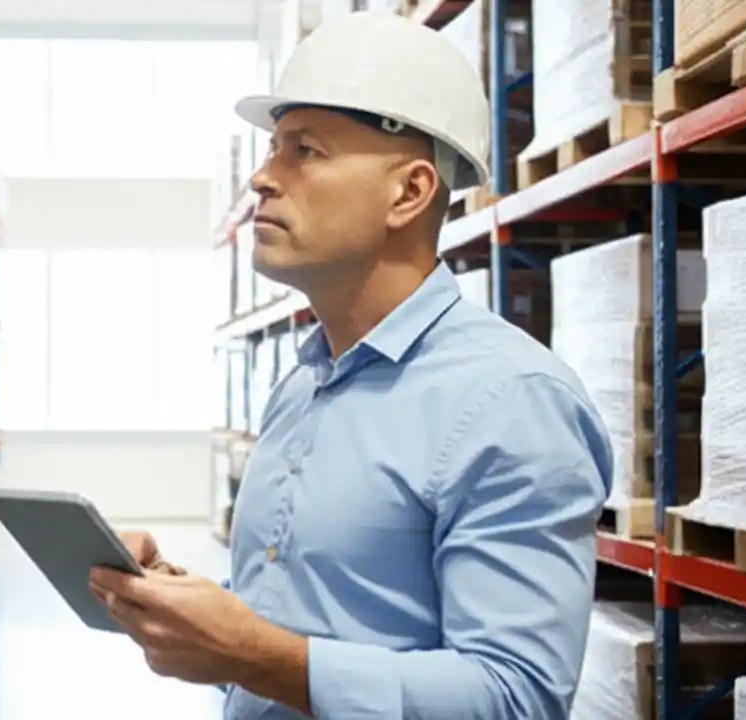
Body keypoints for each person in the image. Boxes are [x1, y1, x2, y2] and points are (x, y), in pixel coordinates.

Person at [88, 10, 614, 719]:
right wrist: (179, 602)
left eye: (304, 151)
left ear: (409, 192)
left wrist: (254, 655)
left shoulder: (510, 401)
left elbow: (516, 698)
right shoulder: (305, 385)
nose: (262, 178)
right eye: (273, 148)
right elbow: (302, 635)